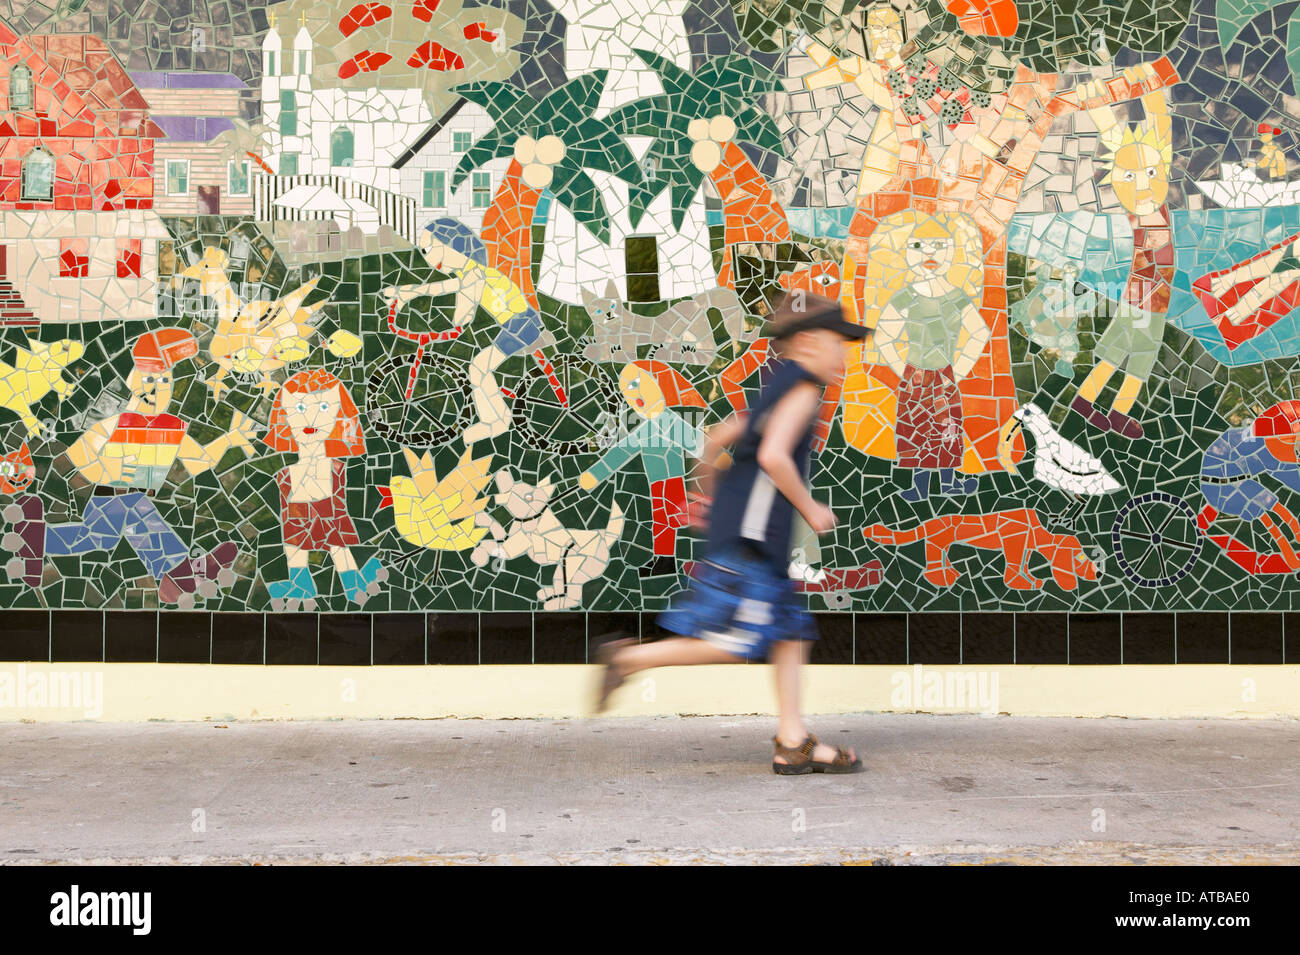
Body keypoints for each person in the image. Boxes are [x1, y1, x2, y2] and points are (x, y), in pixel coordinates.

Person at [592, 294, 868, 775]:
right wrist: (811, 508)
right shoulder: (803, 387)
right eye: (836, 343)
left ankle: (793, 741)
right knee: (736, 641)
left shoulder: (776, 382)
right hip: (755, 539)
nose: (843, 356)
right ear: (806, 342)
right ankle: (631, 659)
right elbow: (773, 457)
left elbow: (719, 436)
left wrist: (706, 493)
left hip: (743, 529)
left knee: (791, 633)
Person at [4, 328, 252, 606]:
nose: (156, 388)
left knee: (95, 538)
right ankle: (179, 574)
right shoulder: (117, 423)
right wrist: (38, 470)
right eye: (149, 379)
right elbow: (73, 458)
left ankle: (35, 537)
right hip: (109, 497)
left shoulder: (172, 429)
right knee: (134, 508)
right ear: (133, 380)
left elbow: (200, 462)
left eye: (165, 380)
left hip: (123, 500)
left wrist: (230, 440)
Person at [381, 217, 545, 446]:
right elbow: (443, 288)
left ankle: (497, 421)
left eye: (428, 249)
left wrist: (444, 327)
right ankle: (496, 417)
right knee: (478, 367)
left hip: (520, 325)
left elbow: (463, 317)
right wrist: (409, 292)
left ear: (449, 245)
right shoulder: (469, 273)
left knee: (478, 368)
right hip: (515, 323)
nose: (427, 258)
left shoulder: (474, 275)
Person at [263, 369, 384, 608]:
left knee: (337, 543)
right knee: (292, 541)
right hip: (296, 505)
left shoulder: (334, 466)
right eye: (298, 408)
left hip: (326, 506)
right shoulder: (286, 473)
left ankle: (352, 584)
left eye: (324, 408)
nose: (310, 418)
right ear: (285, 414)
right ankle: (301, 582)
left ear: (339, 414)